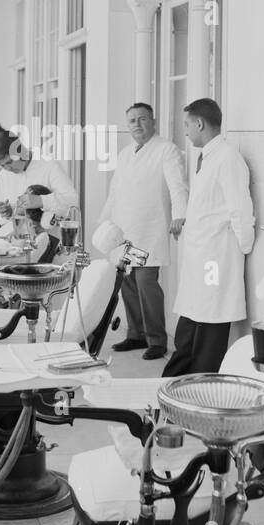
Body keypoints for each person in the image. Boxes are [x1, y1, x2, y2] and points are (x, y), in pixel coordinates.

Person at [165, 98, 254, 376]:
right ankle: (171, 385)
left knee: (209, 328)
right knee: (191, 326)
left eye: (187, 125)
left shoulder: (228, 158)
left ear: (200, 124)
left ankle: (198, 389)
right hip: (201, 255)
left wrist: (244, 245)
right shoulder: (207, 157)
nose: (186, 131)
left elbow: (240, 209)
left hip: (215, 258)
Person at [99, 103, 188, 360]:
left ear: (153, 121)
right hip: (125, 229)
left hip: (150, 229)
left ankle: (157, 340)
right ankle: (136, 334)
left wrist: (180, 214)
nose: (137, 125)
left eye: (142, 119)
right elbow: (115, 191)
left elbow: (177, 185)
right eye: (132, 121)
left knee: (146, 282)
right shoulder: (126, 153)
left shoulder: (166, 149)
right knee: (127, 282)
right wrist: (104, 220)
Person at [0, 129, 79, 226]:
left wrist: (41, 200)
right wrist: (7, 213)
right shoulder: (4, 175)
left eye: (10, 162)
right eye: (3, 165)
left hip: (48, 232)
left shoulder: (49, 165)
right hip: (15, 232)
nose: (8, 168)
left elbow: (72, 200)